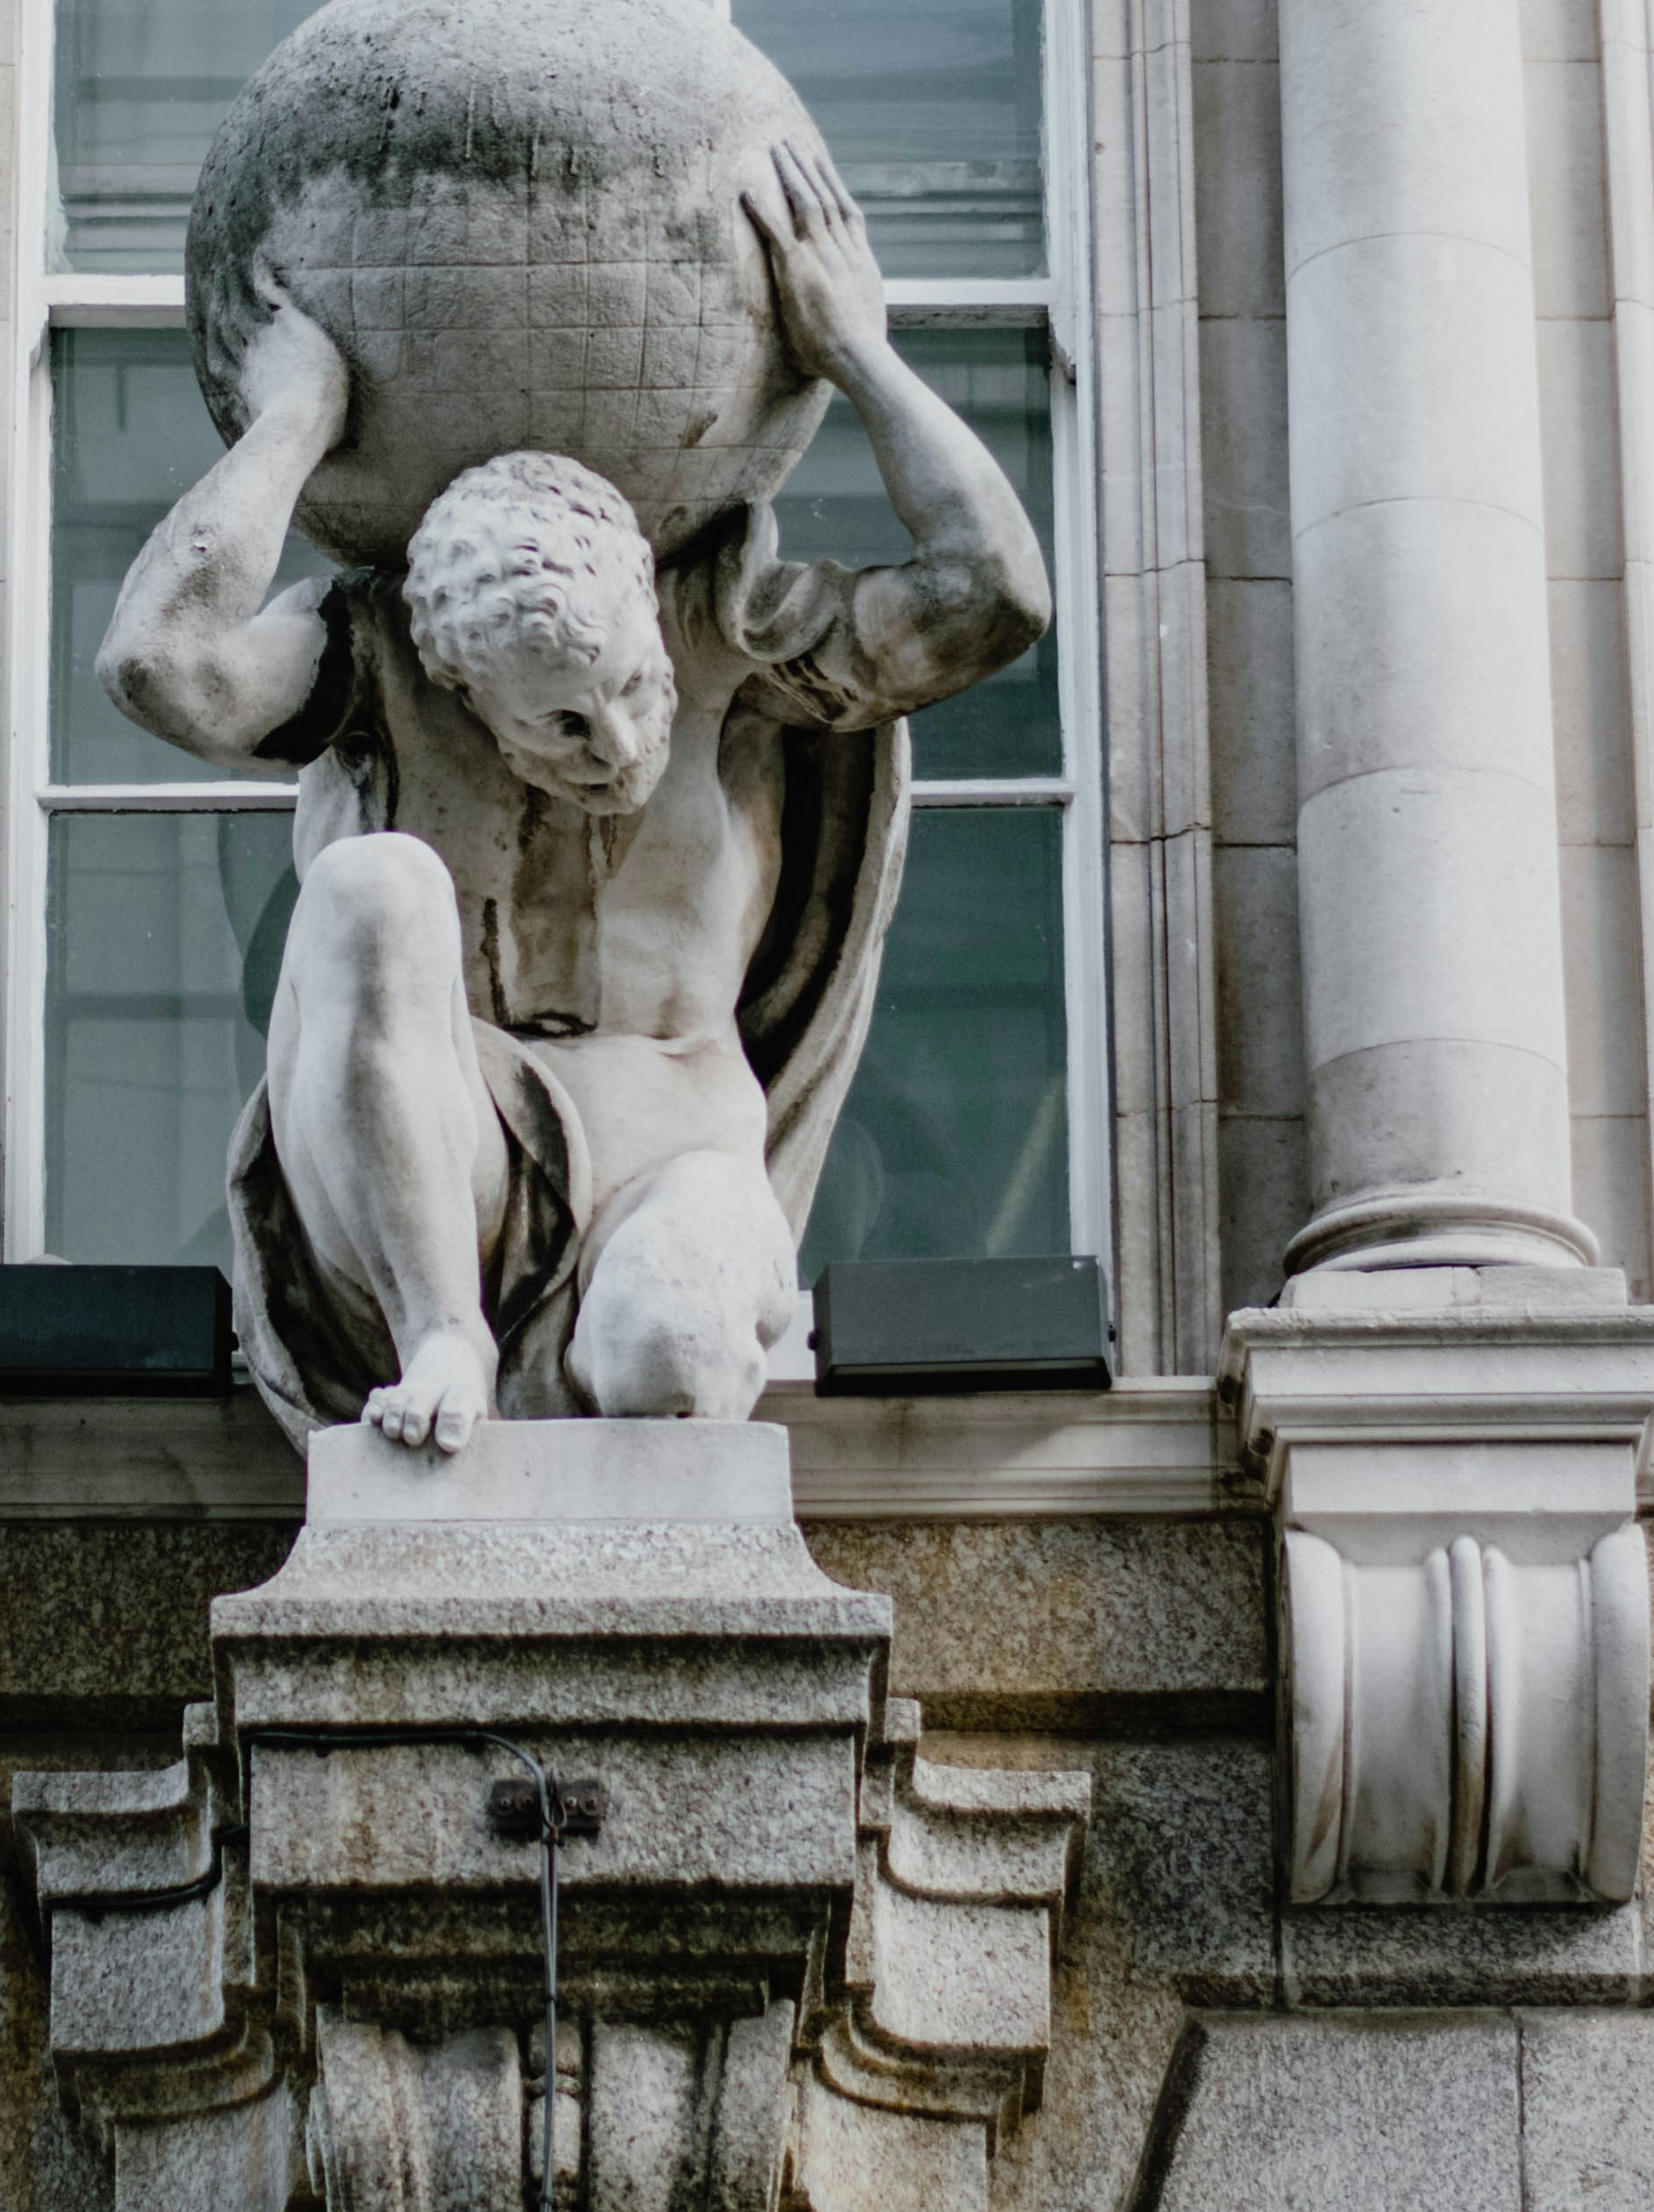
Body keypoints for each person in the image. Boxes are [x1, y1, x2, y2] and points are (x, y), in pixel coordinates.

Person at [99, 133, 1052, 1452]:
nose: (614, 742)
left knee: (669, 1350)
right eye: (557, 720)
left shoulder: (725, 636)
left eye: (629, 685)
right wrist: (301, 416)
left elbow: (994, 600)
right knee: (373, 884)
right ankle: (447, 1331)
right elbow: (162, 662)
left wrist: (856, 350)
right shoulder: (382, 661)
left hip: (679, 1158)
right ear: (471, 690)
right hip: (440, 1171)